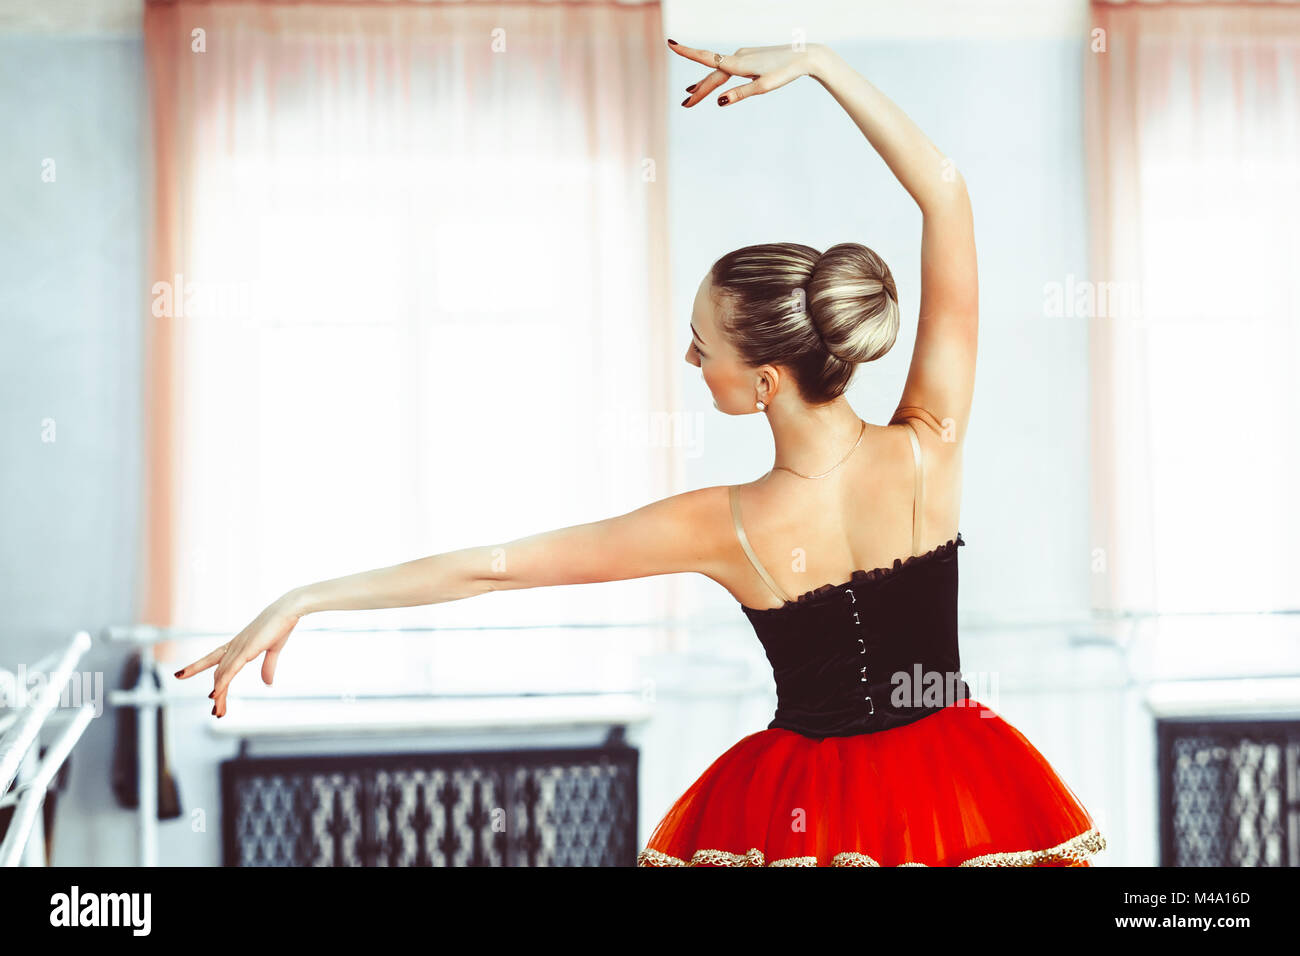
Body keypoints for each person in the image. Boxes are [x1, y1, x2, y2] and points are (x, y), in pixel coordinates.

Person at [174, 39, 1107, 867]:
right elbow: (946, 194)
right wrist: (819, 63)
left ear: (765, 382)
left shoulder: (723, 525)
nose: (691, 359)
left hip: (801, 821)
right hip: (967, 799)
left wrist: (307, 596)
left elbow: (496, 572)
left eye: (703, 343)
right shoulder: (929, 449)